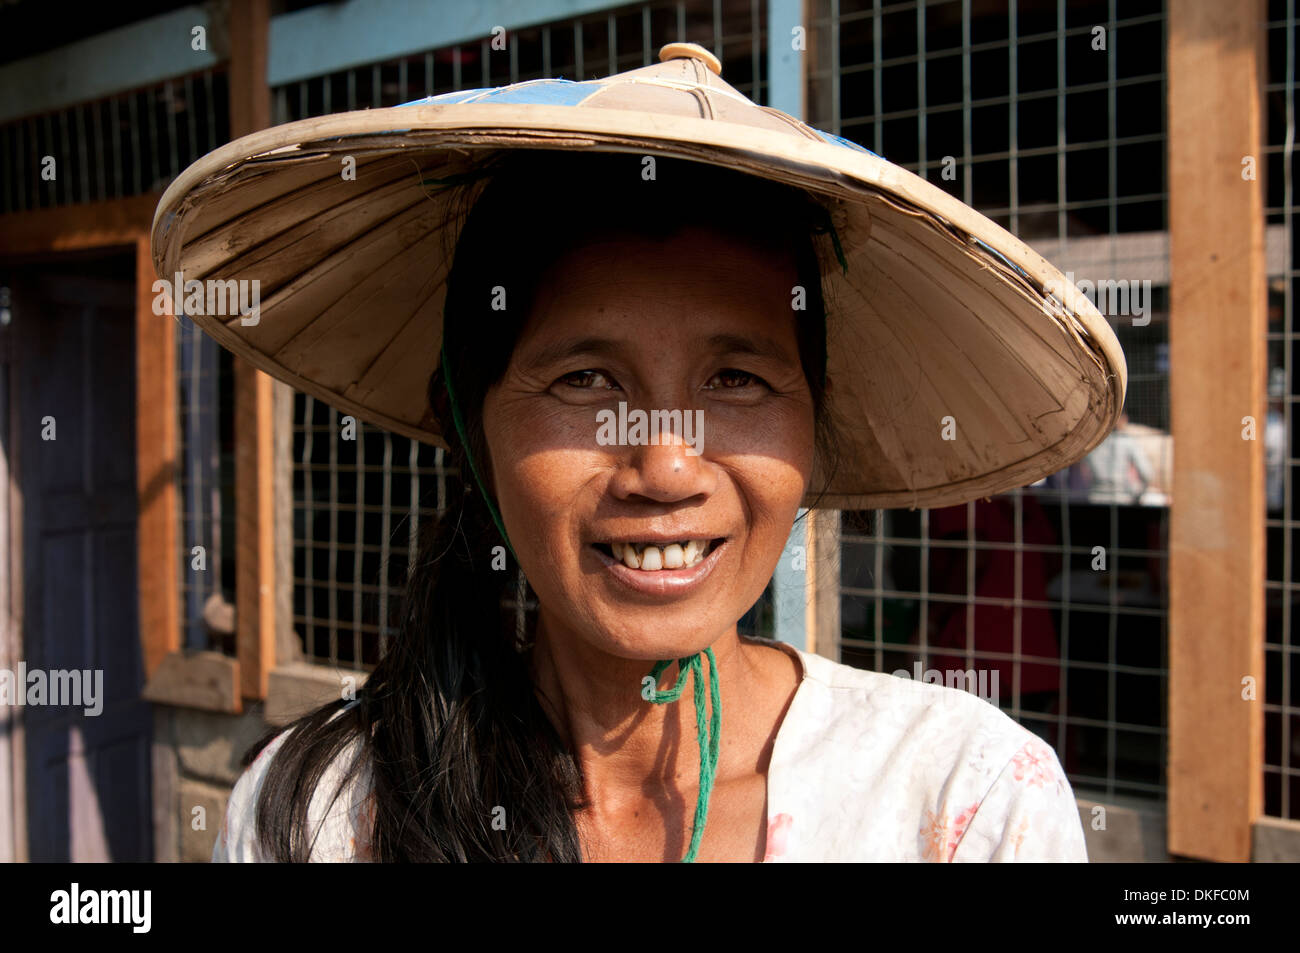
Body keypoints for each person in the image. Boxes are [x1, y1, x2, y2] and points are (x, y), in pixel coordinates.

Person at [152, 43, 1126, 862]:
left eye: (736, 381)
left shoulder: (960, 804)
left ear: (810, 419)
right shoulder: (319, 810)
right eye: (586, 381)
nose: (665, 467)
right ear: (467, 417)